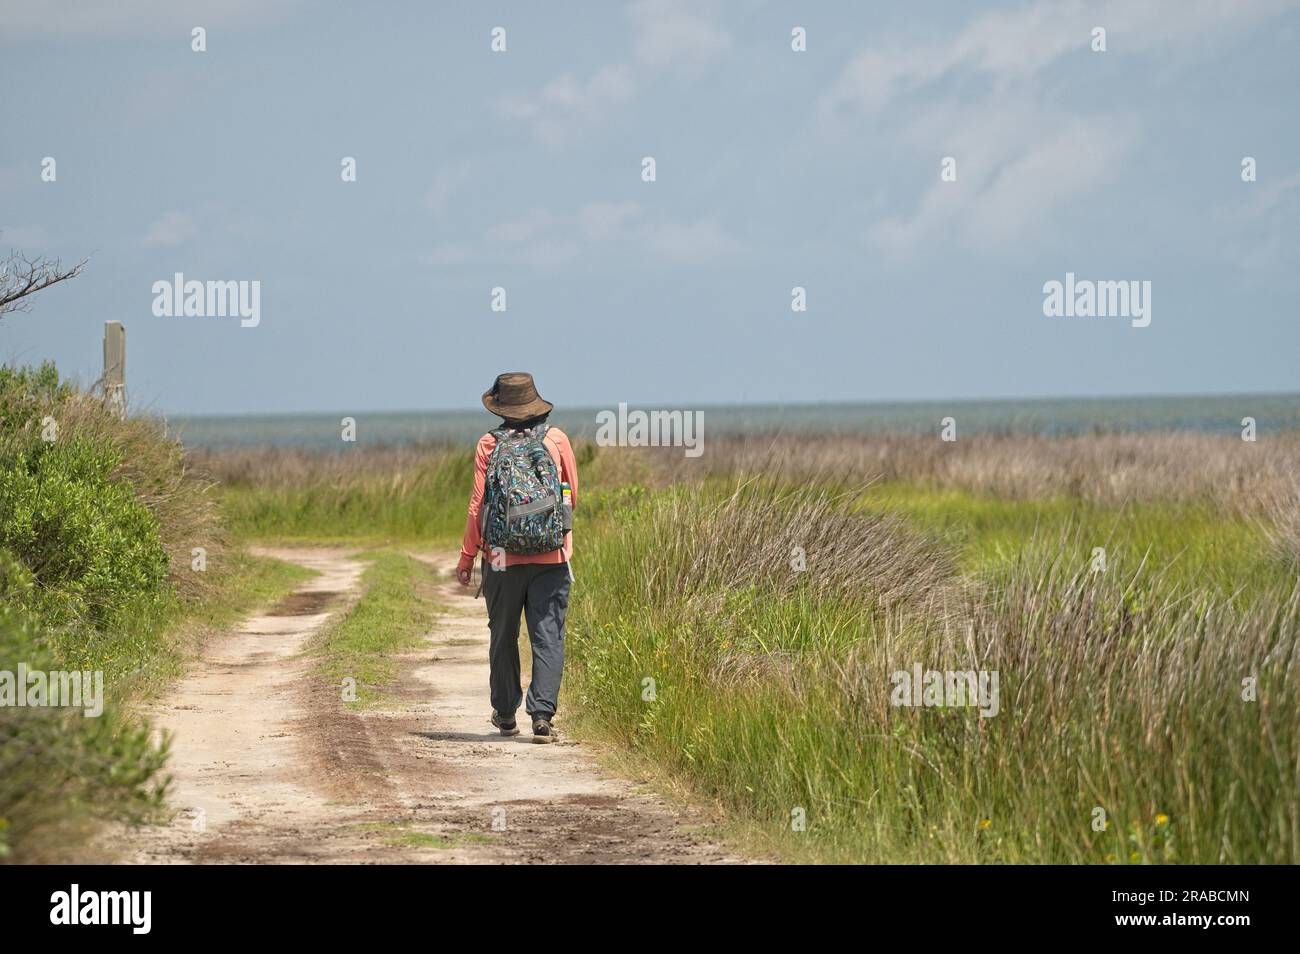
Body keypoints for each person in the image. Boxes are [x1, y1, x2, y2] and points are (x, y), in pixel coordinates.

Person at [456, 372, 578, 744]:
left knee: (503, 634)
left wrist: (467, 556)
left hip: (501, 559)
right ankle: (542, 717)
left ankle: (506, 715)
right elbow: (571, 493)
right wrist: (560, 537)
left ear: (501, 407)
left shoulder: (488, 444)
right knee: (547, 636)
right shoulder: (557, 440)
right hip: (551, 556)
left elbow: (479, 505)